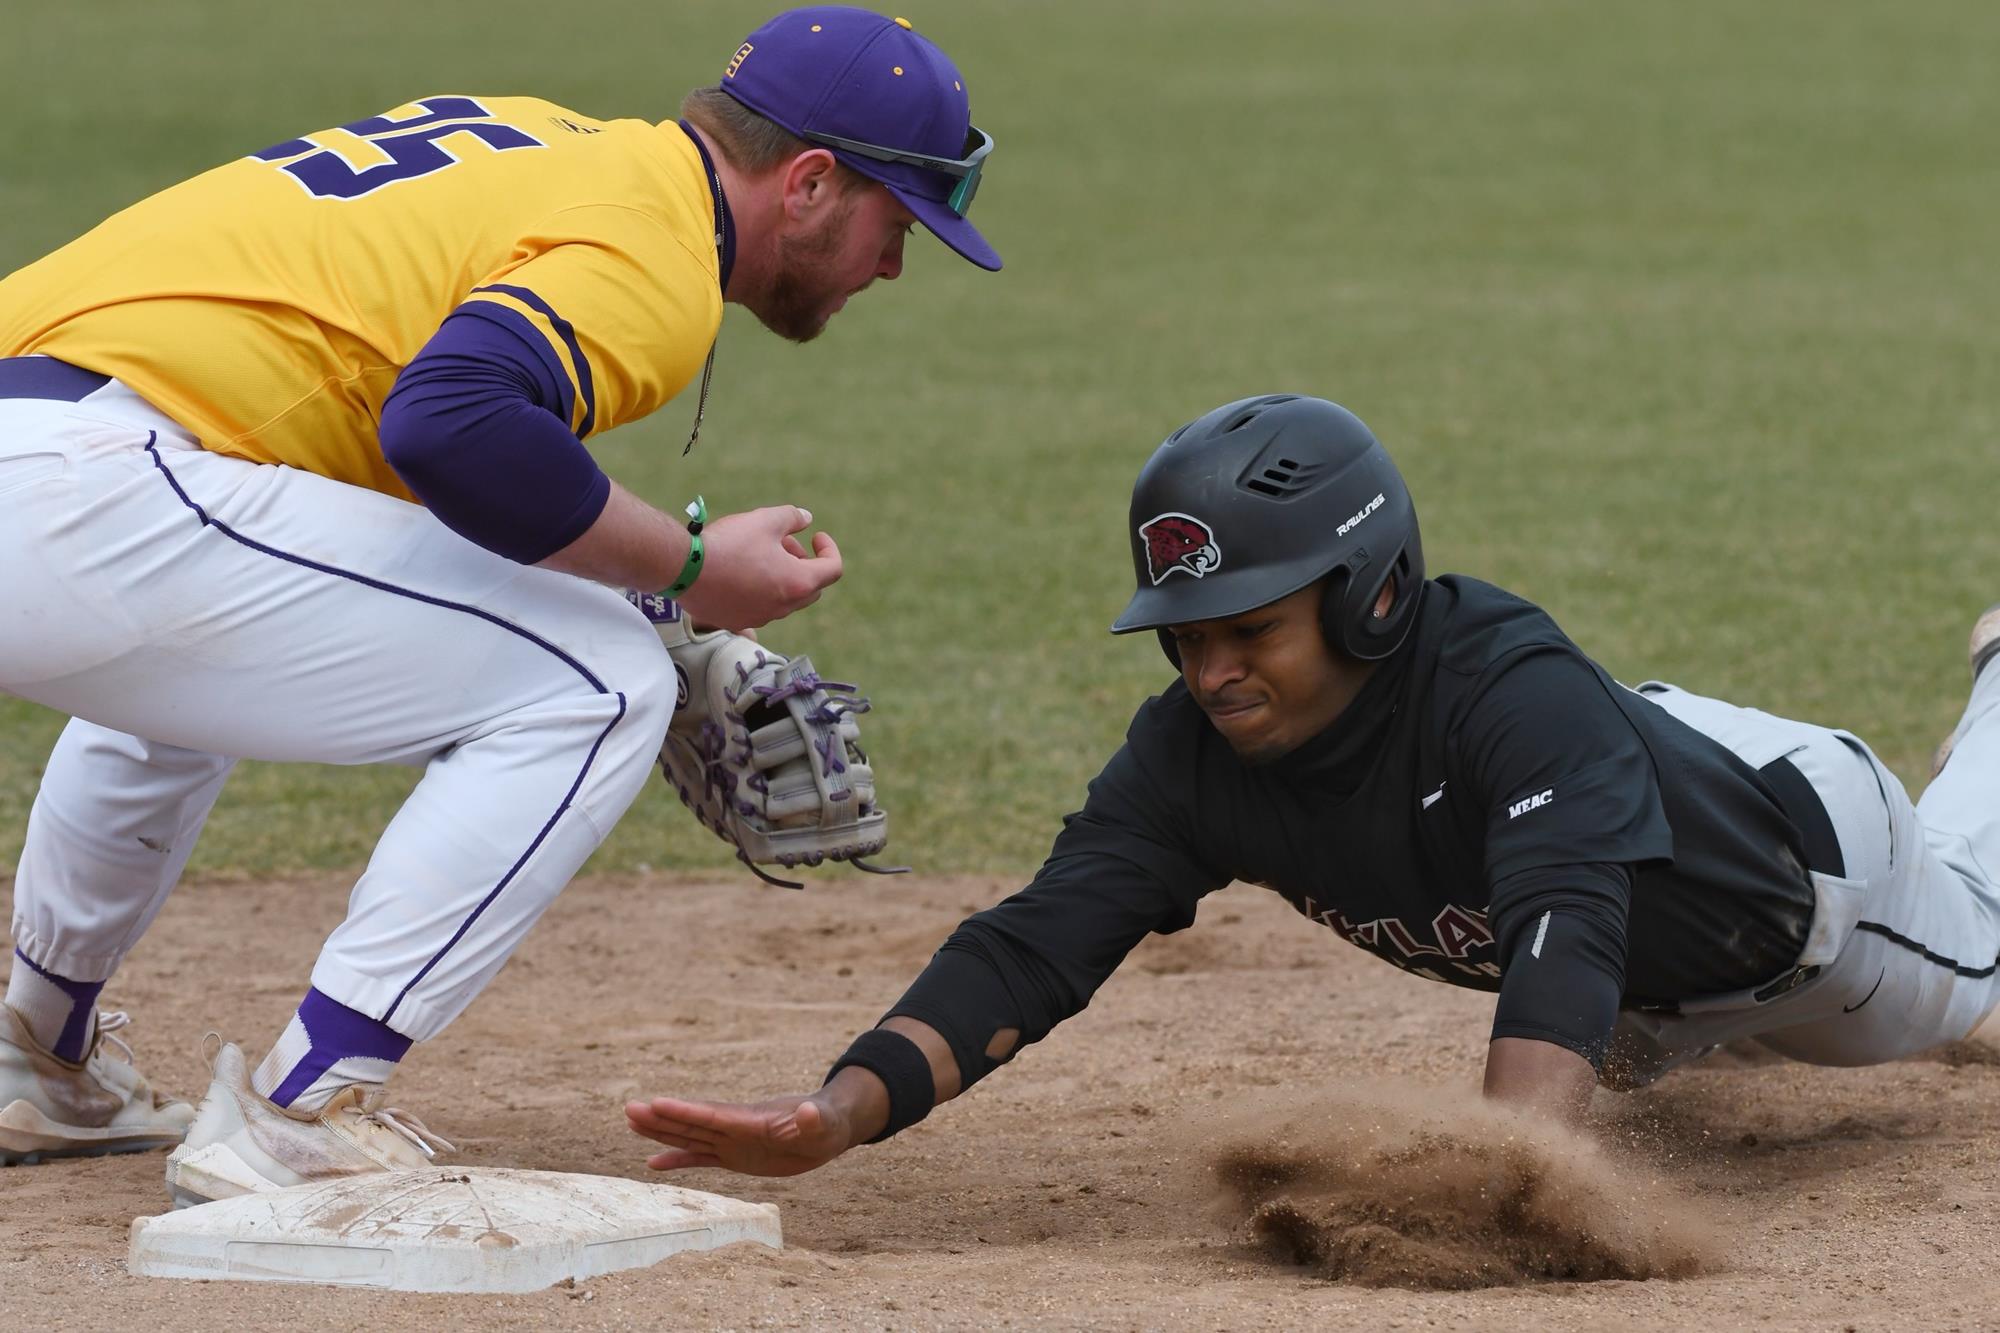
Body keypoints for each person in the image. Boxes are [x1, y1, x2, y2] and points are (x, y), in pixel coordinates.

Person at [0, 5, 1000, 1203]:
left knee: (196, 664)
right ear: (811, 182)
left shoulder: (537, 136)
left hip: (81, 460)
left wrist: (655, 589)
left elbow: (385, 478)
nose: (894, 264)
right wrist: (685, 577)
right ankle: (306, 1110)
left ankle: (37, 1058)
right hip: (89, 495)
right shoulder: (658, 254)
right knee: (595, 683)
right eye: (898, 222)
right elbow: (452, 425)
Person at [627, 392, 2000, 1175]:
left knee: (1981, 931)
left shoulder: (1504, 686)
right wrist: (838, 1110)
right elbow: (1039, 941)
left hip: (1813, 889)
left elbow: (1573, 926)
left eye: (1251, 629)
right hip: (1614, 797)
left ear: (1374, 592)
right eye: (1187, 635)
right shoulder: (1192, 758)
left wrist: (1495, 1184)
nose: (1211, 671)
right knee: (1619, 1013)